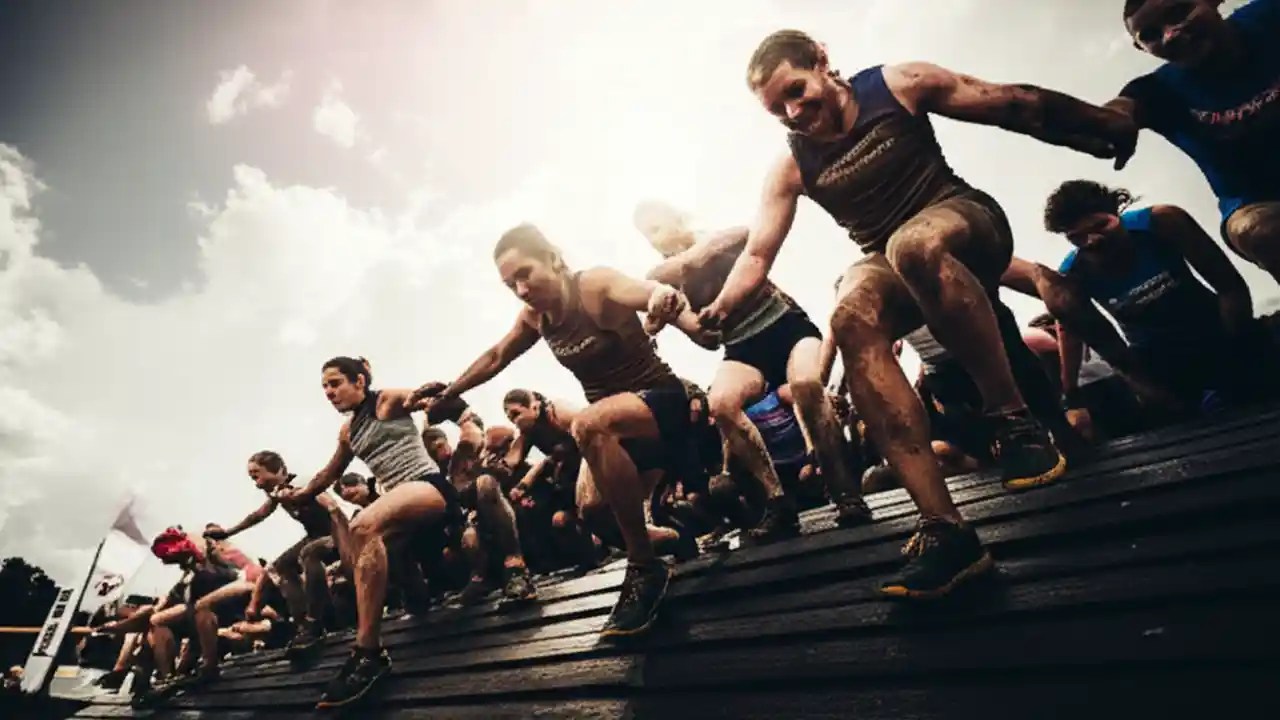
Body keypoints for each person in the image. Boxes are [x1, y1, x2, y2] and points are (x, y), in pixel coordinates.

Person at [704, 30, 1139, 598]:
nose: (793, 112)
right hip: (891, 257)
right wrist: (718, 308)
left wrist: (1101, 126)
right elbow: (758, 253)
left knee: (915, 245)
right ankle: (946, 530)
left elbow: (1014, 102)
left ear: (820, 61)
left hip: (965, 222)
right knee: (850, 314)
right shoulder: (791, 166)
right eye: (777, 109)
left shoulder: (897, 85)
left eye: (796, 90)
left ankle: (1012, 420)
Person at [408, 224, 711, 638]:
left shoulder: (595, 285)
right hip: (611, 426)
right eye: (510, 283)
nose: (520, 288)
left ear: (552, 257)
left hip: (659, 404)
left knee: (587, 423)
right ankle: (675, 538)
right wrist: (449, 392)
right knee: (592, 513)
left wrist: (667, 302)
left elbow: (645, 292)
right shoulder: (536, 318)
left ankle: (644, 569)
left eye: (525, 273)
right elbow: (497, 355)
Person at [635, 200, 868, 535]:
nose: (654, 241)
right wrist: (673, 318)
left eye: (656, 229)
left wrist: (692, 259)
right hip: (743, 346)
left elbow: (744, 234)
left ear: (676, 220)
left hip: (787, 327)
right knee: (721, 403)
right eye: (647, 237)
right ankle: (777, 503)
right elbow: (708, 340)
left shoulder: (717, 238)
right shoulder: (666, 281)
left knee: (806, 385)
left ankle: (846, 493)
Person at [274, 356, 455, 709]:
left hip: (428, 487)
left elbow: (425, 396)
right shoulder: (349, 431)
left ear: (359, 381)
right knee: (357, 558)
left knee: (363, 524)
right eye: (324, 386)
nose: (329, 392)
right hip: (399, 505)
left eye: (335, 383)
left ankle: (368, 652)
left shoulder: (385, 400)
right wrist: (300, 494)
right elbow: (327, 474)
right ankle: (414, 601)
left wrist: (435, 395)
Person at [1039, 180, 1270, 414]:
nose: (1093, 240)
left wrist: (1240, 347)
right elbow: (1072, 331)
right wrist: (1071, 395)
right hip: (1158, 360)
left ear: (1116, 212)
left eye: (1101, 225)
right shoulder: (1073, 273)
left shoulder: (1162, 222)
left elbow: (1230, 287)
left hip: (1218, 331)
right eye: (1078, 237)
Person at [1110, 0, 1280, 281]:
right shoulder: (1157, 90)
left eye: (1179, 13)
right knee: (1263, 231)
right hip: (1256, 202)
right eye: (1150, 35)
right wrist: (1098, 120)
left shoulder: (1269, 17)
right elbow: (1119, 110)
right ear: (1142, 48)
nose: (1171, 34)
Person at [205, 451, 338, 661]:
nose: (256, 482)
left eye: (257, 474)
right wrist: (227, 533)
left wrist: (346, 536)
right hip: (314, 536)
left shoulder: (302, 482)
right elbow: (258, 515)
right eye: (251, 477)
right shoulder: (276, 492)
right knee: (281, 567)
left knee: (308, 554)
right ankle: (303, 624)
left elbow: (332, 506)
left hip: (336, 533)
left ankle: (316, 619)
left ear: (279, 470)